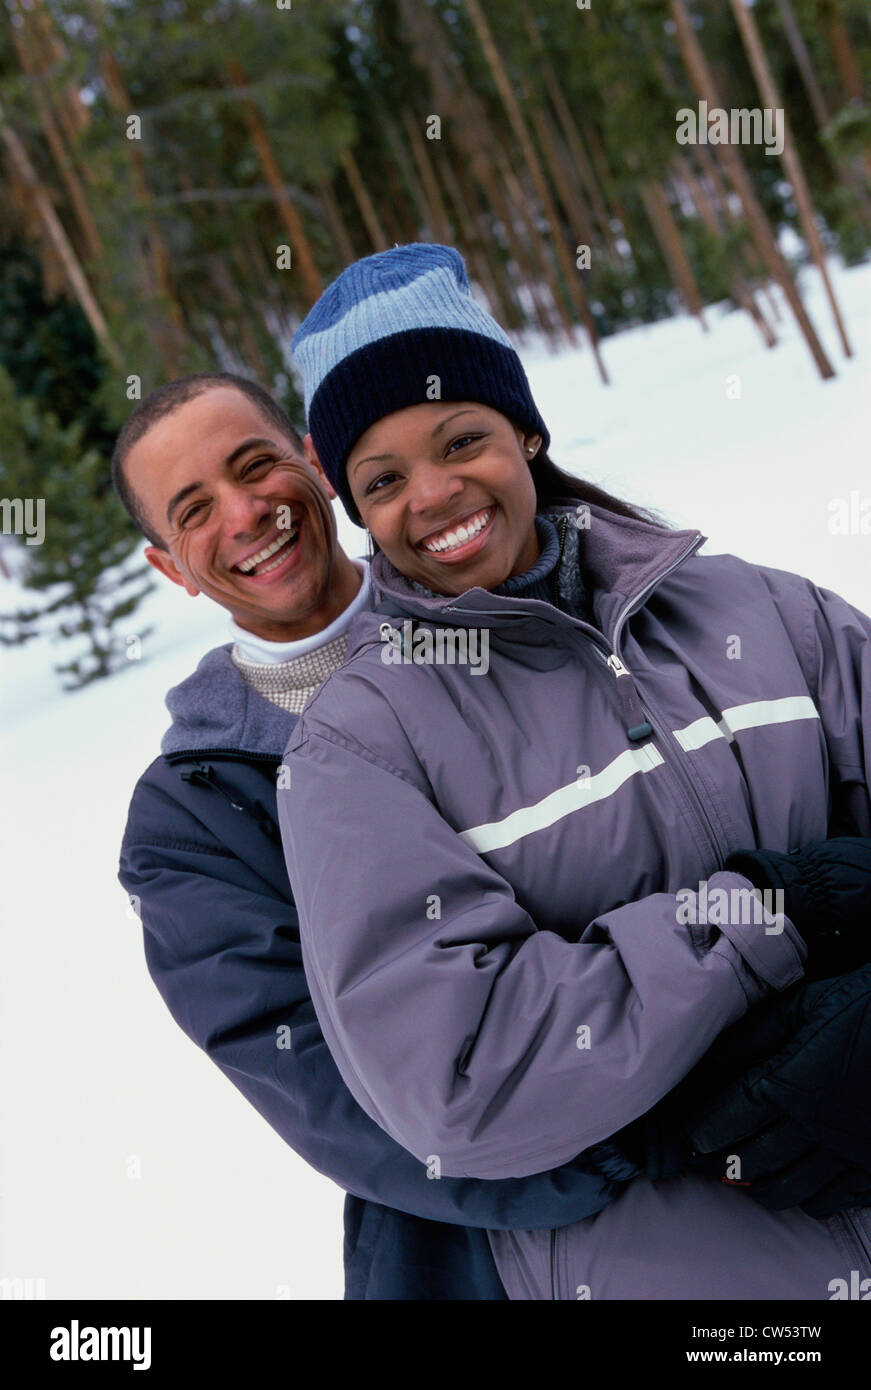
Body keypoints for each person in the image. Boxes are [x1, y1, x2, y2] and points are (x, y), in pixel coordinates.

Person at [279, 242, 871, 1299]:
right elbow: (459, 1080)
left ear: (525, 429)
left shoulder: (756, 612)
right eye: (382, 479)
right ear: (357, 513)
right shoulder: (360, 747)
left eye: (460, 438)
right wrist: (764, 916)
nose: (433, 493)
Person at [113, 371, 667, 1300]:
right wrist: (639, 1145)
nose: (246, 514)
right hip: (491, 1246)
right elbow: (328, 1089)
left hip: (771, 1160)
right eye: (194, 511)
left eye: (257, 466)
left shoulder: (517, 606)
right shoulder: (192, 821)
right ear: (170, 565)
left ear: (316, 466)